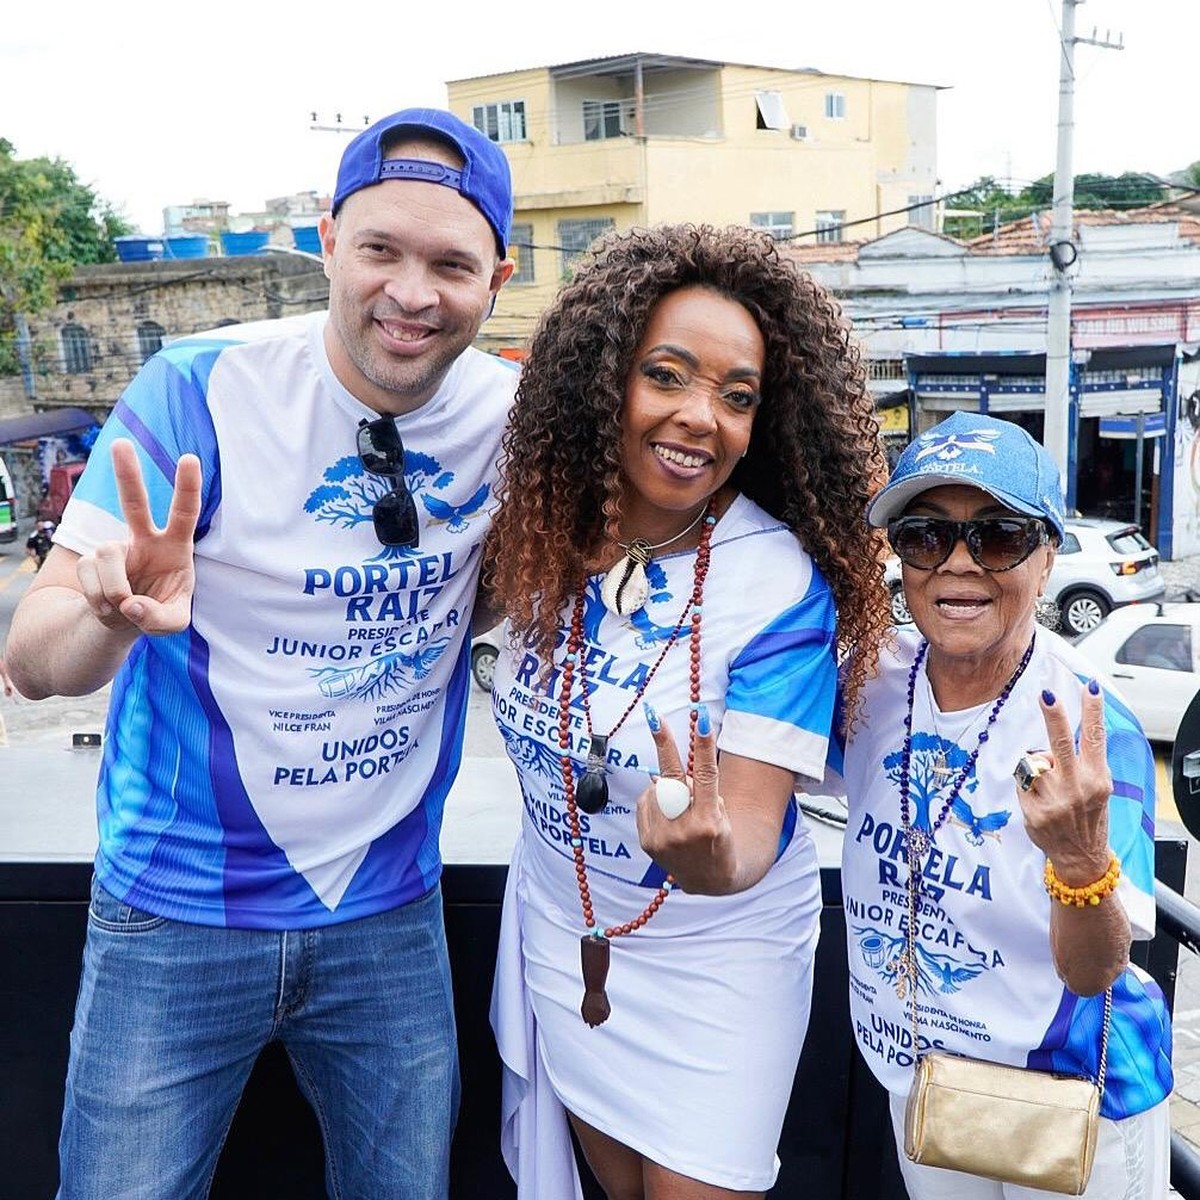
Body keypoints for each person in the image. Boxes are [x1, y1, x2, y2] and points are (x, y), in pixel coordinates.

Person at [4, 107, 516, 1198]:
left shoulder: (509, 418)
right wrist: (111, 613)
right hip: (174, 910)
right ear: (328, 241)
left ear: (499, 276)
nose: (411, 293)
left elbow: (487, 599)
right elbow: (36, 661)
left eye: (450, 264)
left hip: (389, 910)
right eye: (380, 249)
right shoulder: (197, 389)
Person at [484, 223, 891, 1199]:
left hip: (720, 962)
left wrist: (707, 854)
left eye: (737, 396)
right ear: (602, 385)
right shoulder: (535, 532)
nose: (701, 417)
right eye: (666, 376)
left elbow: (746, 832)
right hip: (571, 935)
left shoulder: (775, 583)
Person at [835, 411, 1173, 1198]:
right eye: (924, 535)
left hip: (1071, 1099)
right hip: (926, 1073)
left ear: (1049, 554)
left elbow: (1095, 971)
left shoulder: (1090, 730)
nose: (958, 564)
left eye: (997, 536)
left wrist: (1081, 857)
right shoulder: (870, 684)